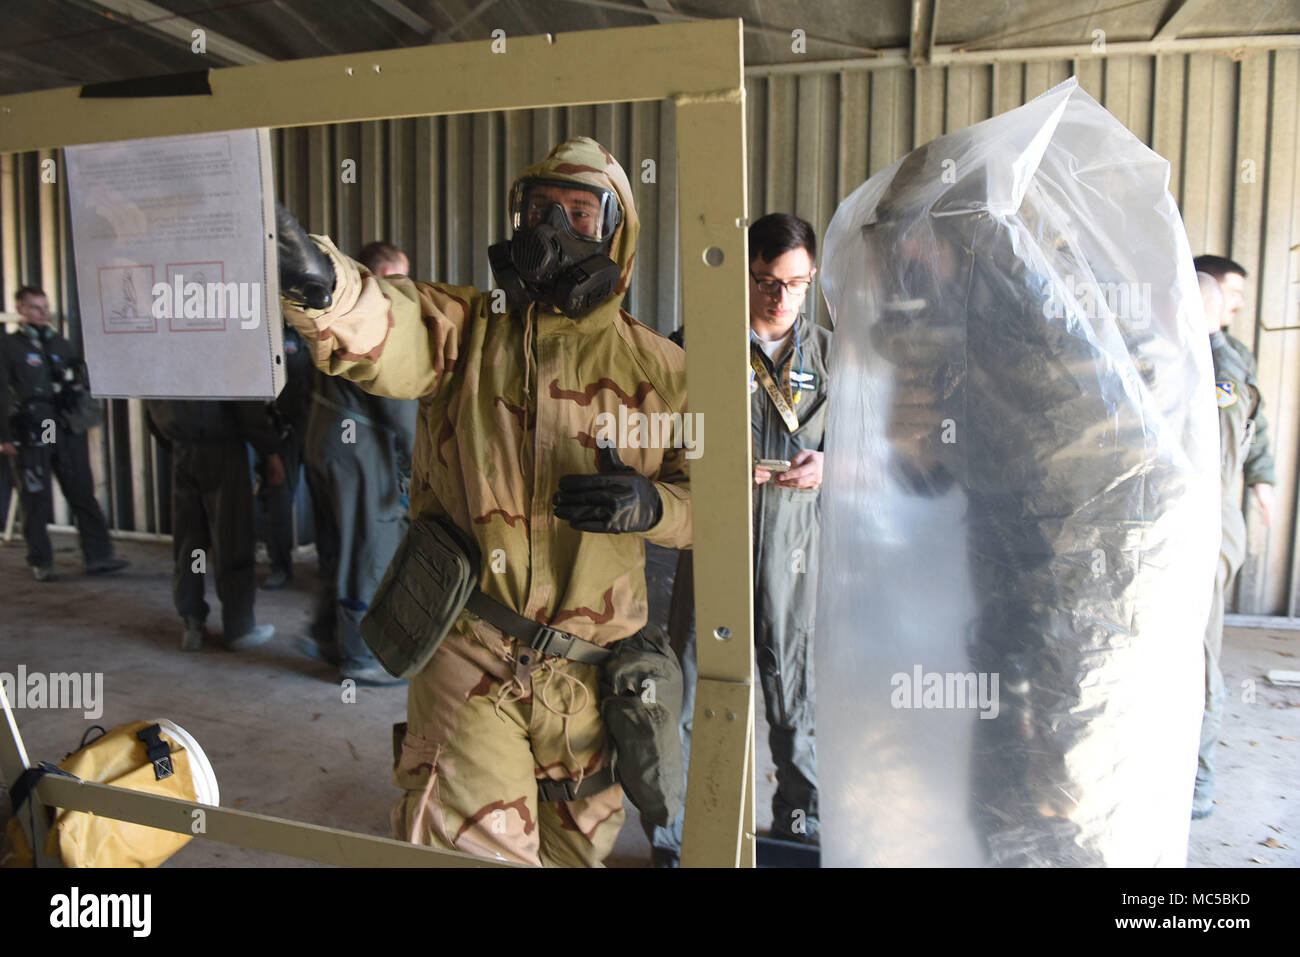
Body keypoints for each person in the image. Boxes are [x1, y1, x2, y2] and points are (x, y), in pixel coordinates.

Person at [276, 137, 690, 867]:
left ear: (618, 233)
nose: (551, 232)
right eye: (538, 211)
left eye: (578, 215)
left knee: (578, 855)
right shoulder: (465, 334)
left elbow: (722, 506)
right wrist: (320, 284)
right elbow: (386, 325)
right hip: (471, 658)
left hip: (592, 681)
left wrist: (654, 507)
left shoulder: (664, 374)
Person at [644, 214, 829, 865]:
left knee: (793, 692)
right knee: (690, 686)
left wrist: (829, 463)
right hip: (711, 546)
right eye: (766, 281)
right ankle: (681, 836)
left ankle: (799, 826)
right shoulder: (696, 345)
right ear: (745, 273)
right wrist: (711, 462)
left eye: (797, 283)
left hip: (794, 552)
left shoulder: (830, 356)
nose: (781, 298)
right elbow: (655, 435)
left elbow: (872, 441)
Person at [295, 240, 417, 687]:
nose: (406, 286)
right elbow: (398, 399)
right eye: (401, 277)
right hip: (361, 449)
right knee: (370, 544)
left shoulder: (326, 308)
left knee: (336, 543)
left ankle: (326, 637)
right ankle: (361, 656)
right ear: (383, 273)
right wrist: (418, 461)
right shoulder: (377, 317)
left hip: (322, 439)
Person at [1192, 256, 1276, 819]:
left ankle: (1196, 786)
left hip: (1204, 526)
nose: (1237, 304)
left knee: (1197, 654)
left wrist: (1261, 479)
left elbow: (1225, 450)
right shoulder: (1191, 352)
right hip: (1195, 522)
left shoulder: (1220, 367)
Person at [0, 286, 127, 581]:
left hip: (66, 426)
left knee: (82, 490)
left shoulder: (60, 343)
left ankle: (98, 557)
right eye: (35, 308)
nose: (43, 313)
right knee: (36, 495)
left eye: (45, 307)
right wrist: (4, 435)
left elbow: (78, 383)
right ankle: (41, 561)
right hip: (33, 426)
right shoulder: (9, 346)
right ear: (20, 309)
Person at [145, 398, 283, 651]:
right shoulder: (220, 356)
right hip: (223, 449)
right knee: (231, 536)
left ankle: (192, 623)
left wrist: (175, 439)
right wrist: (270, 450)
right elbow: (244, 405)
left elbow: (150, 405)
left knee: (191, 541)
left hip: (182, 448)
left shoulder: (163, 357)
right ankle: (239, 626)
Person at [255, 318, 313, 590]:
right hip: (284, 429)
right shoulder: (272, 333)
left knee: (328, 502)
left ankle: (330, 564)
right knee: (278, 499)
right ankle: (279, 566)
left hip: (319, 428)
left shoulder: (323, 329)